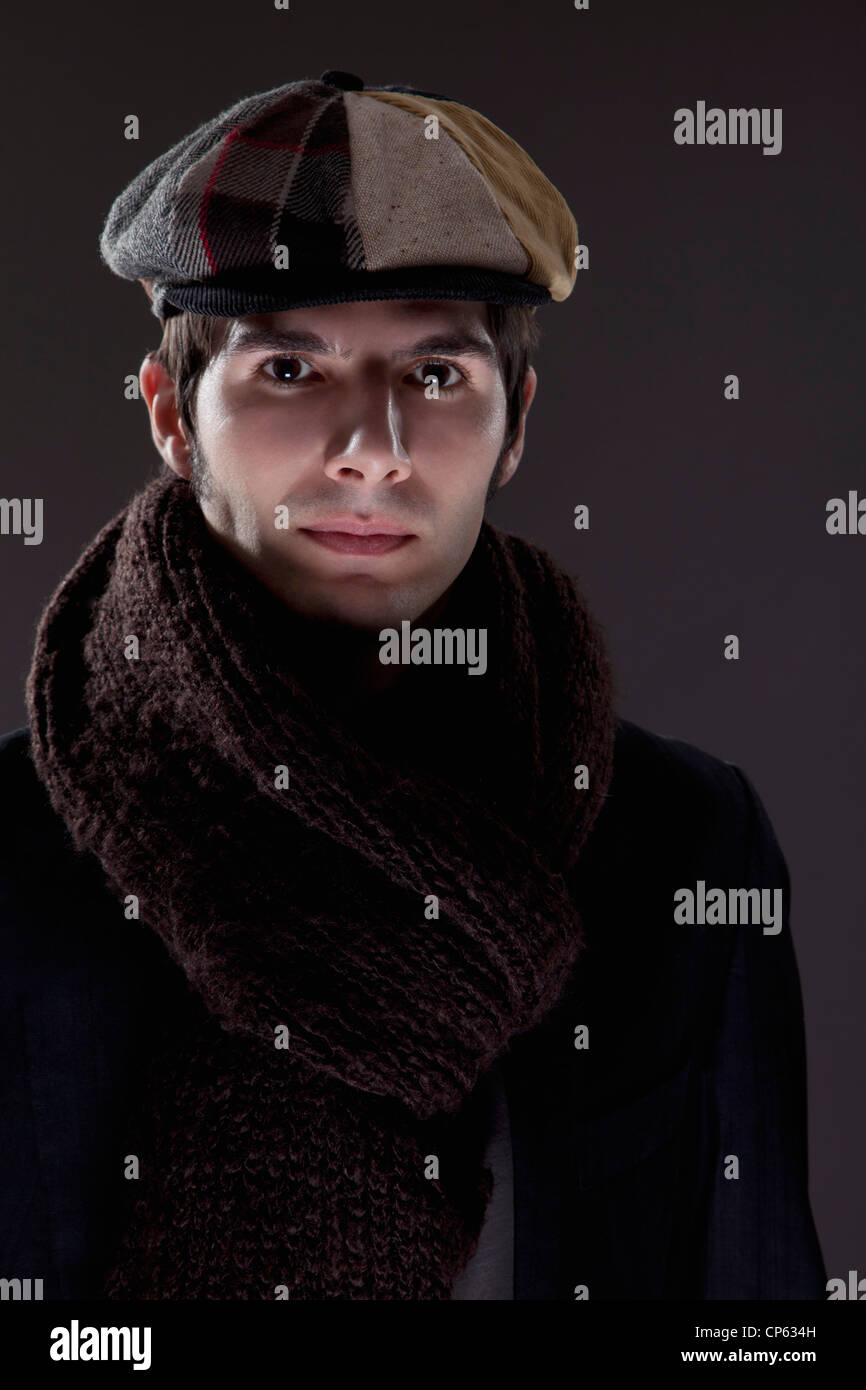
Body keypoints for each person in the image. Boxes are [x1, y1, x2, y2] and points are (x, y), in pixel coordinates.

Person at [0, 70, 825, 1301]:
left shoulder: (685, 839)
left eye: (434, 377)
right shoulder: (4, 858)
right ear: (173, 414)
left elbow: (756, 1309)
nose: (371, 447)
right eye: (291, 372)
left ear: (516, 424)